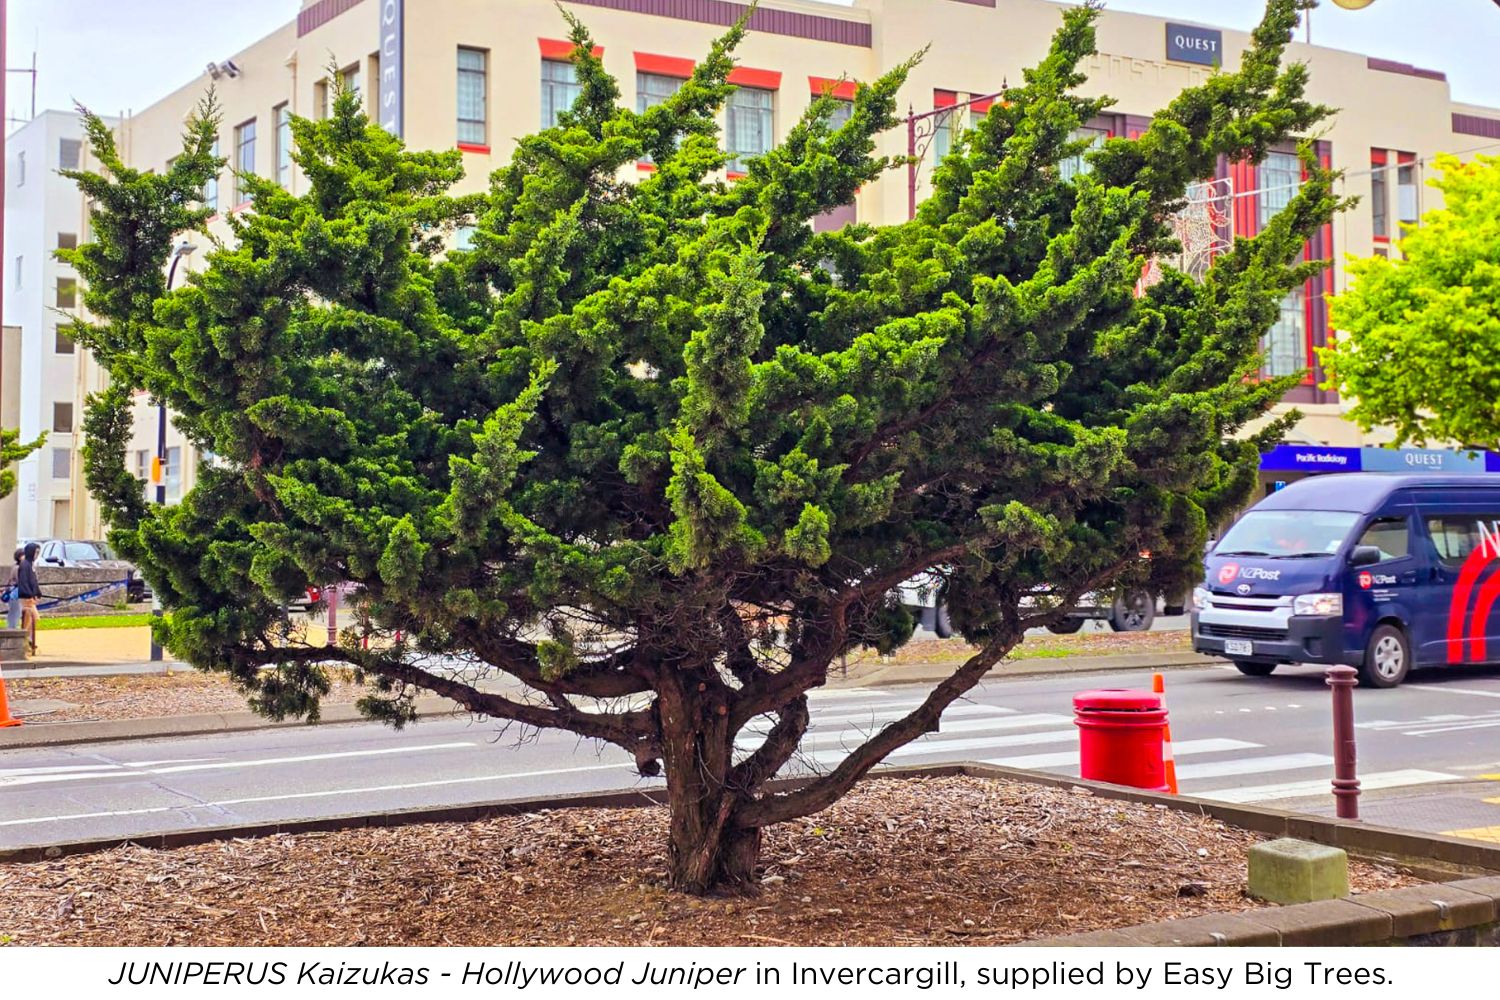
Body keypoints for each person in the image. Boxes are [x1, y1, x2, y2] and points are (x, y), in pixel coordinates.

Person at [17, 541, 42, 655]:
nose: (37, 555)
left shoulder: (30, 564)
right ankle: (24, 641)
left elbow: (33, 582)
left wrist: (37, 592)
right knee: (30, 619)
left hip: (29, 596)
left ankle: (28, 640)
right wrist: (29, 594)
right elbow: (24, 582)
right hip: (26, 597)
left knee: (31, 619)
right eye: (35, 552)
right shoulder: (25, 564)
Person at [4, 548, 20, 630]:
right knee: (15, 611)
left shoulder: (14, 566)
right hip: (15, 592)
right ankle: (12, 627)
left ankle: (12, 626)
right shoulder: (17, 568)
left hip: (13, 591)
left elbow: (9, 580)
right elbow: (18, 580)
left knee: (14, 610)